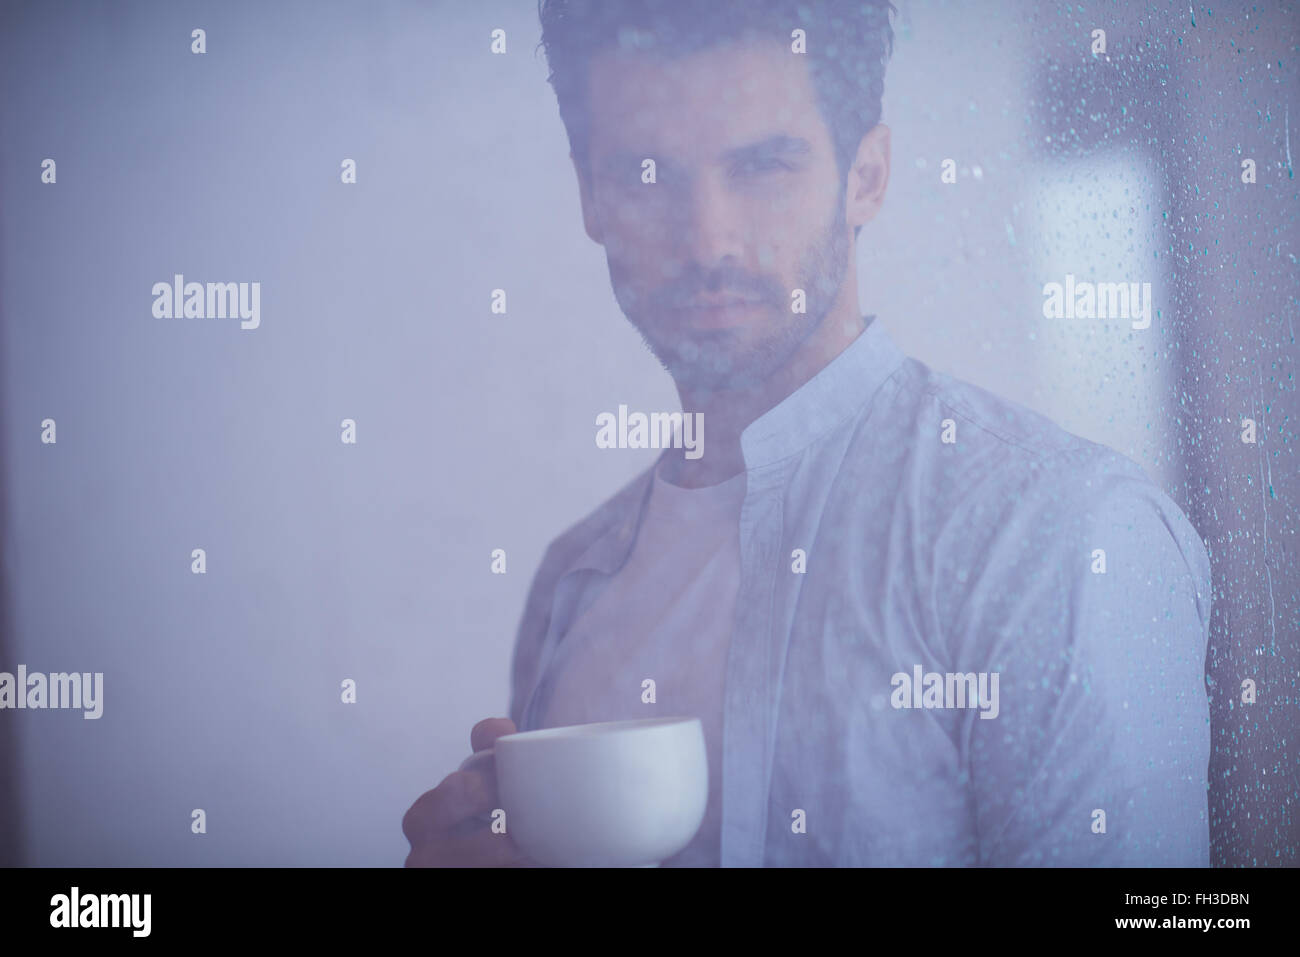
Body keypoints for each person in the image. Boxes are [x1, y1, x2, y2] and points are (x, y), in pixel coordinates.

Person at [403, 0, 1212, 867]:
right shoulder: (569, 585)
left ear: (866, 174)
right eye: (646, 174)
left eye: (762, 166)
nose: (707, 237)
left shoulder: (1057, 534)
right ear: (590, 196)